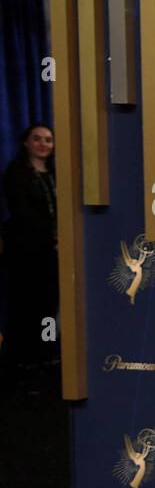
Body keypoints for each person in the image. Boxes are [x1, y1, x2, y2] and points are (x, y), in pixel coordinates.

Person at [1, 124, 58, 388]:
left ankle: (47, 356)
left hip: (52, 256)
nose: (43, 144)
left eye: (48, 140)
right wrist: (50, 239)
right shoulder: (16, 174)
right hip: (26, 254)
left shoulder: (57, 173)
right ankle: (24, 362)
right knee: (27, 308)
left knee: (49, 307)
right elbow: (24, 215)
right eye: (37, 139)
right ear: (26, 143)